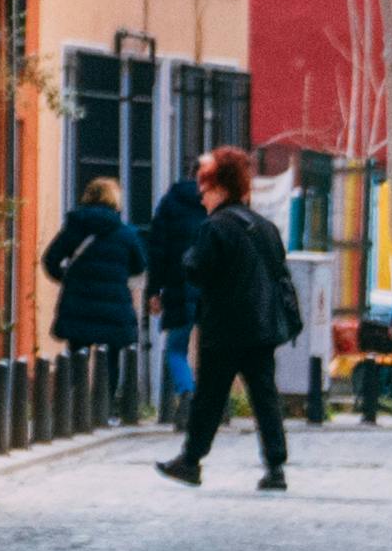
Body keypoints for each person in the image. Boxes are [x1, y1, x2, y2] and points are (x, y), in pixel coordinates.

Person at [159, 150, 305, 491]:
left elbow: (196, 270)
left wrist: (186, 258)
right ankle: (276, 467)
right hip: (262, 328)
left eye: (205, 189)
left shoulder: (216, 227)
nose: (201, 196)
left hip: (223, 328)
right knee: (265, 397)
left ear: (220, 189)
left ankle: (191, 461)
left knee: (209, 397)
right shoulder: (264, 227)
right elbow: (279, 272)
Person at [45, 175, 149, 363]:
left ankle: (77, 392)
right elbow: (140, 266)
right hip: (114, 306)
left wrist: (66, 278)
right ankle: (108, 392)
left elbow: (50, 260)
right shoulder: (126, 234)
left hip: (79, 304)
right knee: (111, 363)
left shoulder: (75, 227)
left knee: (77, 362)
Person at [143, 160, 212, 408]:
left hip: (178, 286)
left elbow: (157, 250)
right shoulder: (218, 205)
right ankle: (213, 404)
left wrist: (153, 290)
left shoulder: (170, 203)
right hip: (213, 289)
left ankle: (186, 393)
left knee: (175, 349)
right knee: (213, 349)